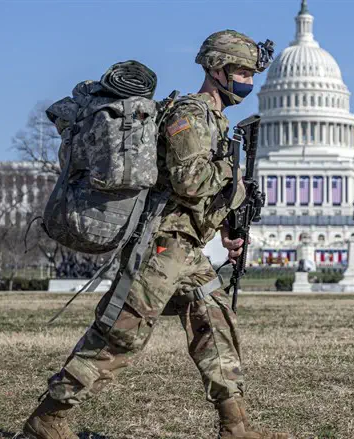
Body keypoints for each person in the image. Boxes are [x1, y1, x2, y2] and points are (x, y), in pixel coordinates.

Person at [23, 30, 288, 439]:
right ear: (216, 70)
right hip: (161, 247)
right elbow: (190, 182)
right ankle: (50, 416)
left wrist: (225, 224)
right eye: (240, 72)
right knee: (118, 337)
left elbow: (199, 197)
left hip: (188, 249)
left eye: (251, 75)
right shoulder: (191, 115)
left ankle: (235, 425)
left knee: (215, 326)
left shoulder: (215, 119)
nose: (247, 83)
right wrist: (234, 181)